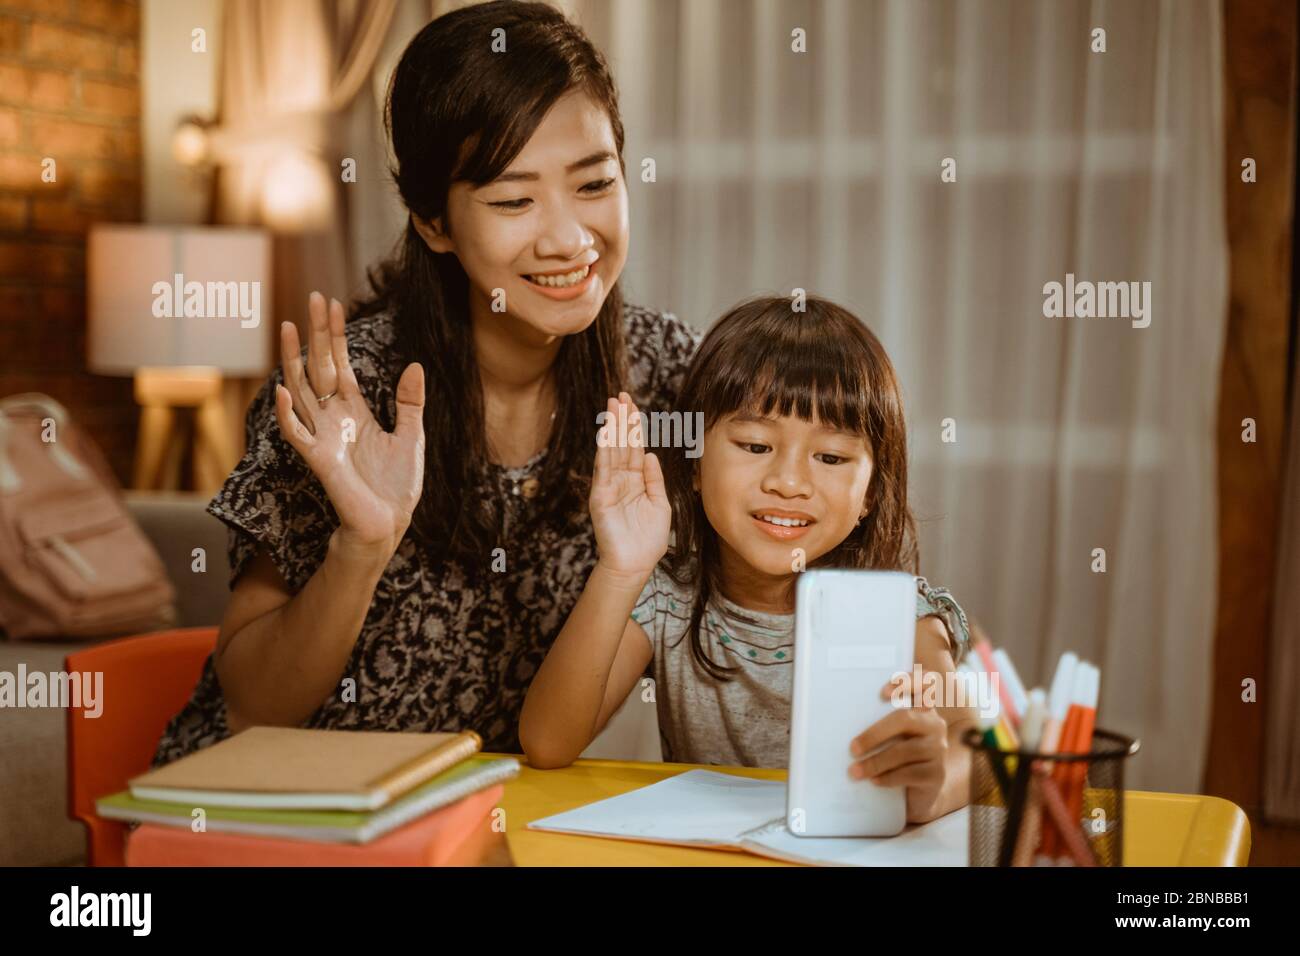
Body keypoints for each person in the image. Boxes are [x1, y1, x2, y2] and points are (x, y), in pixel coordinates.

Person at [153, 0, 698, 764]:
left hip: (493, 812)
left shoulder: (668, 376)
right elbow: (252, 707)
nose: (571, 238)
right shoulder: (346, 392)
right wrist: (362, 544)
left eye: (594, 183)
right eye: (513, 199)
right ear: (434, 222)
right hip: (285, 806)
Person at [520, 296, 975, 823]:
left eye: (830, 457)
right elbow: (547, 744)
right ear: (693, 463)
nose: (787, 482)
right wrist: (619, 569)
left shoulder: (900, 616)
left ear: (871, 492)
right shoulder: (667, 598)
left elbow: (976, 748)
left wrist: (929, 787)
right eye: (755, 445)